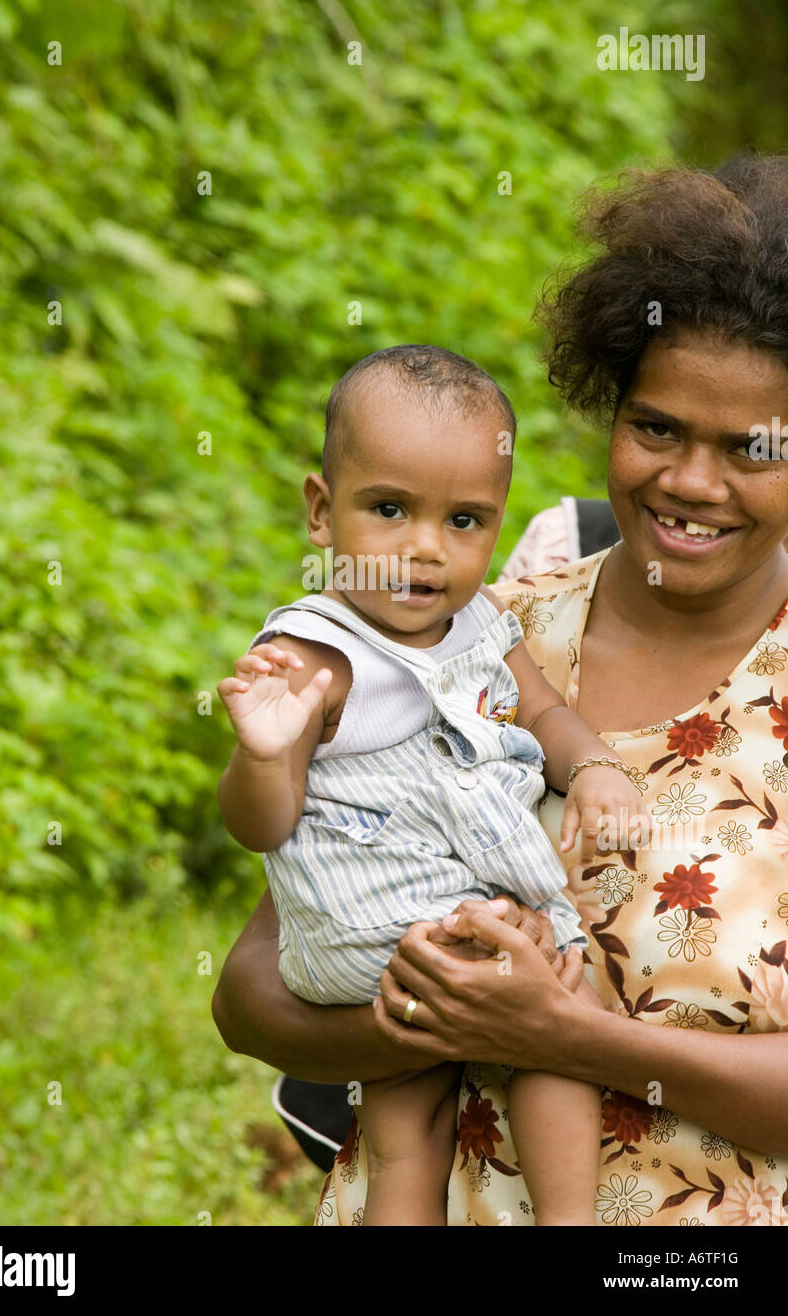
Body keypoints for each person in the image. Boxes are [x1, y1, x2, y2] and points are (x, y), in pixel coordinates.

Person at [213, 153, 788, 1227]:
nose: (692, 482)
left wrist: (565, 1036)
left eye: (751, 448)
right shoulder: (474, 631)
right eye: (656, 427)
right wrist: (443, 1019)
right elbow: (251, 988)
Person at [216, 344, 650, 1225]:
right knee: (554, 1026)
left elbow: (544, 716)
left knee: (403, 1127)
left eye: (464, 522)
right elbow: (261, 829)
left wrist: (595, 765)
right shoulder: (318, 654)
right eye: (388, 509)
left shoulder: (482, 620)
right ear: (319, 511)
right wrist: (264, 757)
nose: (424, 549)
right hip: (388, 928)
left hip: (416, 934)